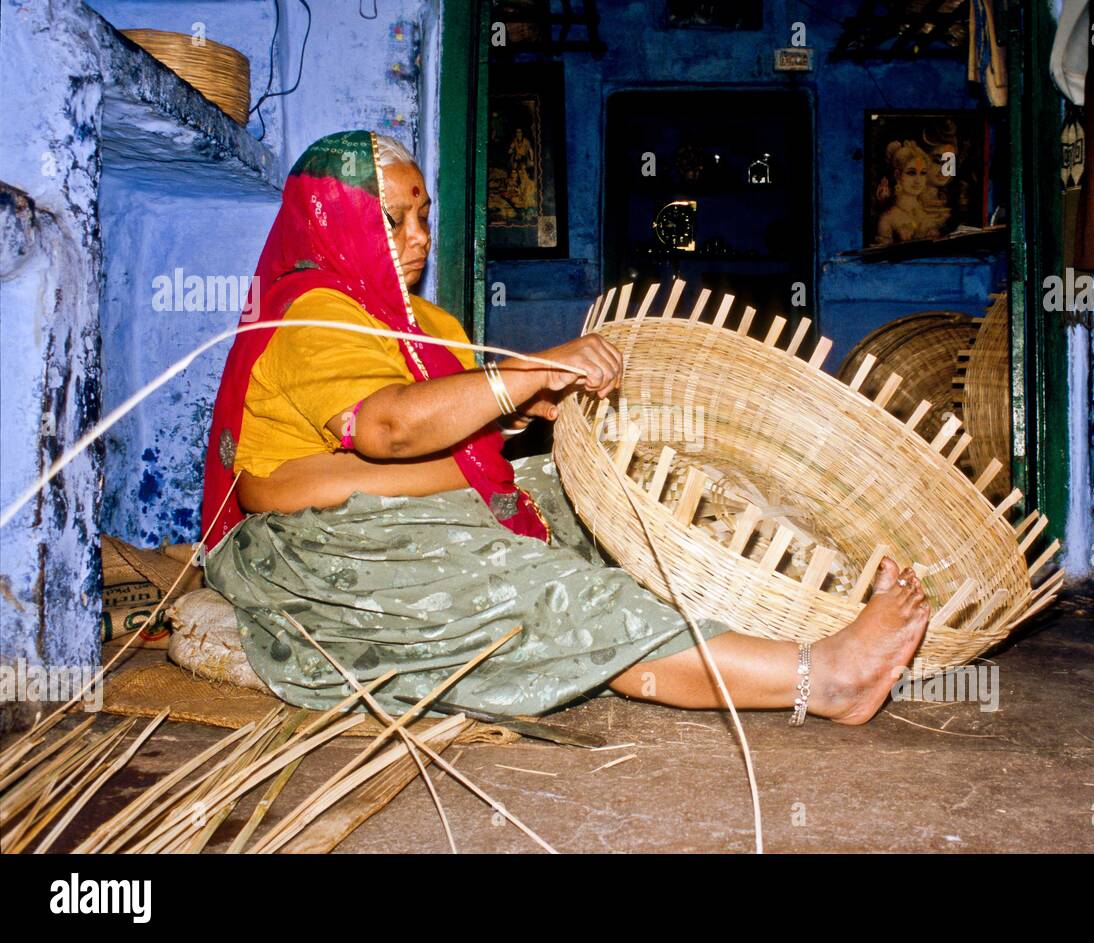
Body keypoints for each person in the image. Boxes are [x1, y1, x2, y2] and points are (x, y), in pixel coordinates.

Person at [197, 130, 930, 727]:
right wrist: (527, 373)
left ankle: (798, 601)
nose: (418, 238)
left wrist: (511, 413)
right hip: (323, 540)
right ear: (335, 220)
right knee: (550, 598)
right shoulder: (312, 316)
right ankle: (821, 678)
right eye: (394, 219)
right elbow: (387, 427)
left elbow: (446, 422)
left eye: (424, 216)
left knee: (610, 501)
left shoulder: (426, 323)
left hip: (408, 500)